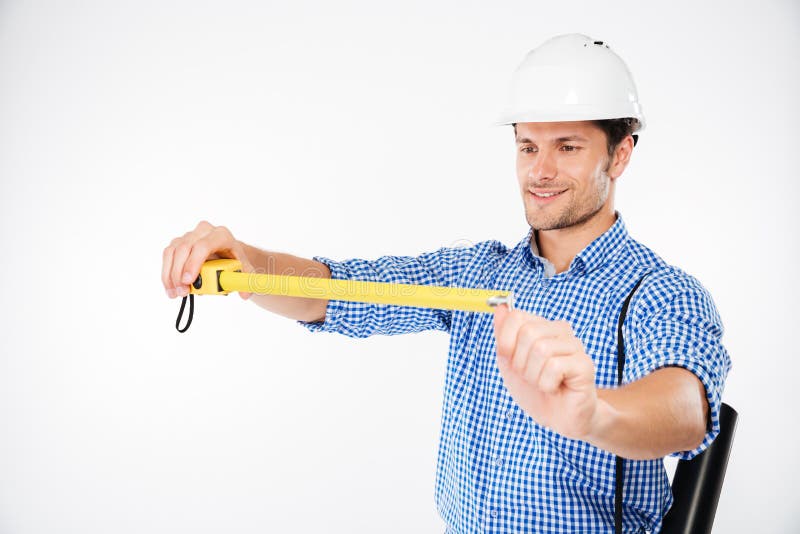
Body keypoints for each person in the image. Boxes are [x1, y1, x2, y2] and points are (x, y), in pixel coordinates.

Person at [161, 34, 731, 533]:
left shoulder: (660, 291)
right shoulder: (475, 275)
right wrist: (247, 264)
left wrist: (594, 415)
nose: (541, 171)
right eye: (528, 145)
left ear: (621, 155)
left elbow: (685, 409)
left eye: (568, 147)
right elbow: (339, 291)